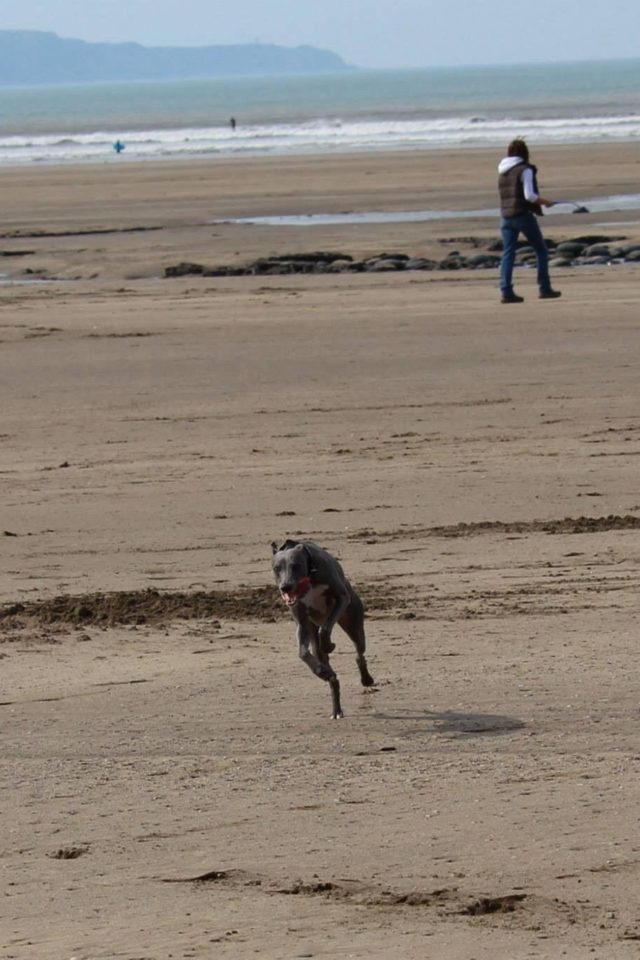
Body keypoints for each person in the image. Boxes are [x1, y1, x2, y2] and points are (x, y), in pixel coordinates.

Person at [497, 138, 561, 304]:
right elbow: (529, 196)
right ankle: (544, 288)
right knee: (540, 250)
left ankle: (506, 291)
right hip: (521, 215)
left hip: (505, 215)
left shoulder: (503, 171)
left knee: (508, 254)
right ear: (525, 153)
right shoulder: (525, 170)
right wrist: (546, 202)